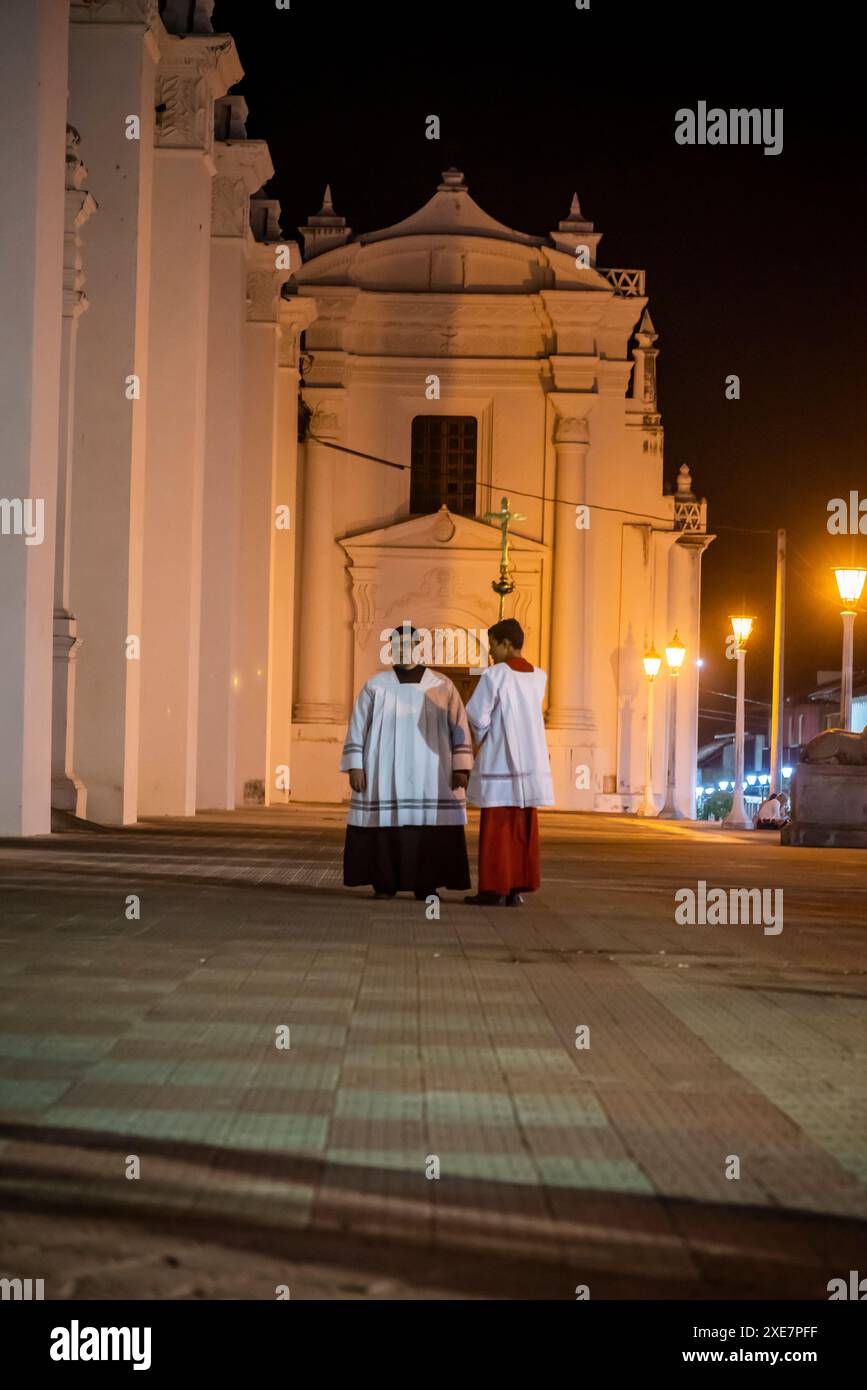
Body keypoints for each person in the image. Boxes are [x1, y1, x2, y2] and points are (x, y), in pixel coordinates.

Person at [340, 623, 473, 899]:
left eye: (408, 645)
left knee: (428, 831)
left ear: (418, 648)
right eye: (396, 646)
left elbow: (459, 724)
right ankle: (385, 883)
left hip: (432, 774)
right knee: (386, 827)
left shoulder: (441, 685)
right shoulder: (376, 685)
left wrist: (461, 767)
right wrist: (355, 765)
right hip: (383, 771)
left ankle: (427, 884)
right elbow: (357, 726)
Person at [463, 618, 553, 906]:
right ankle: (516, 888)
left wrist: (482, 738)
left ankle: (492, 889)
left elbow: (477, 716)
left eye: (492, 645)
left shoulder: (495, 675)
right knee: (521, 828)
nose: (490, 652)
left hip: (501, 759)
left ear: (505, 643)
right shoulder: (539, 676)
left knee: (497, 829)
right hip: (531, 761)